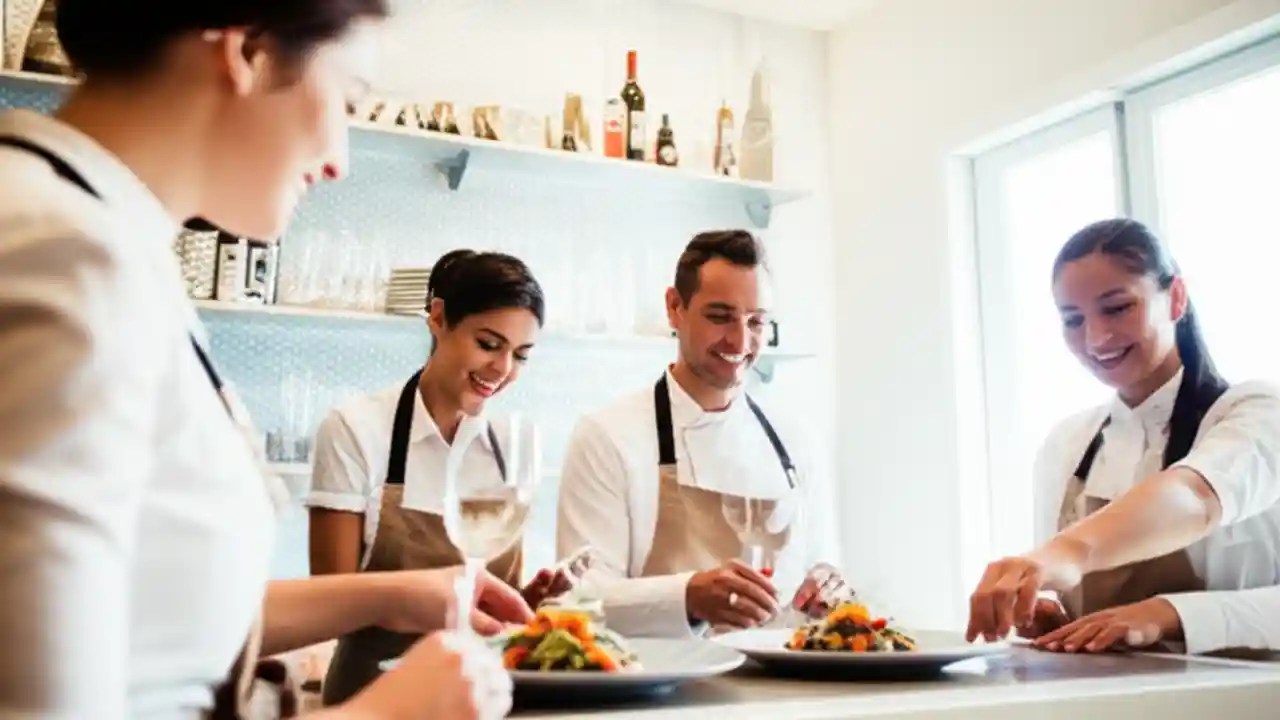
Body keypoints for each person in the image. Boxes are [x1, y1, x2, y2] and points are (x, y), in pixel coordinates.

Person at [0, 2, 527, 718]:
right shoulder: (66, 259)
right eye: (345, 99)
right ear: (247, 46)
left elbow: (152, 618)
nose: (340, 159)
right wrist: (385, 714)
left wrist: (403, 592)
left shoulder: (98, 238)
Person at [966, 219, 1280, 657]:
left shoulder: (1258, 413)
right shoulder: (1068, 444)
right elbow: (1065, 586)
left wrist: (1164, 613)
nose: (1096, 339)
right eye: (1073, 320)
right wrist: (1052, 614)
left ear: (1175, 298)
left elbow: (1193, 497)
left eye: (1116, 308)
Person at [310, 249, 568, 704]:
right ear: (438, 317)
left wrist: (527, 600)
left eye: (521, 355)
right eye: (488, 344)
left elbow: (488, 610)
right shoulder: (357, 429)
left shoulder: (511, 446)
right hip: (372, 698)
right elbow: (329, 604)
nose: (503, 370)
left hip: (482, 698)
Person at [556, 230, 825, 637]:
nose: (740, 340)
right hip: (659, 692)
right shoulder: (607, 436)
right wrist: (686, 596)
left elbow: (813, 574)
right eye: (719, 317)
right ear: (674, 308)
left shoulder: (792, 440)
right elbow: (579, 602)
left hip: (781, 691)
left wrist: (826, 587)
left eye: (756, 322)